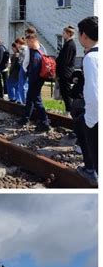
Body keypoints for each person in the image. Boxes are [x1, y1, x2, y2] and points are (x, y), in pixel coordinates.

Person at [75, 16, 98, 183]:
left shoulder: (90, 59)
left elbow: (94, 93)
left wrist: (89, 122)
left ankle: (91, 171)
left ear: (84, 35)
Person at [18, 33, 50, 131]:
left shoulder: (36, 54)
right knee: (29, 99)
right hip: (34, 80)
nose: (26, 44)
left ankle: (45, 122)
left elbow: (35, 71)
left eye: (28, 42)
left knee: (37, 101)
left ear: (32, 41)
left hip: (35, 81)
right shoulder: (35, 51)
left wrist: (30, 80)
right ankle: (25, 118)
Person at [55, 26, 77, 113]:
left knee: (66, 93)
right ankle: (68, 110)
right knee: (64, 93)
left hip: (65, 73)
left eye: (64, 33)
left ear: (68, 34)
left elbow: (65, 60)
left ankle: (70, 111)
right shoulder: (67, 44)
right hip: (63, 72)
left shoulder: (70, 45)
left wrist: (58, 69)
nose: (62, 34)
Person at [15, 37, 28, 105]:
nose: (16, 46)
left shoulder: (22, 49)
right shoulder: (25, 48)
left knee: (22, 85)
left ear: (19, 43)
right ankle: (25, 100)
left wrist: (18, 55)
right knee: (25, 85)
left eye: (16, 44)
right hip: (25, 68)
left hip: (23, 67)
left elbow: (21, 60)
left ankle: (24, 101)